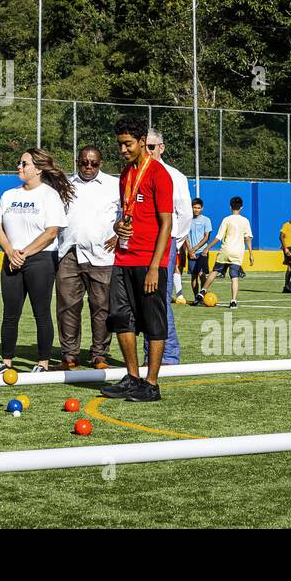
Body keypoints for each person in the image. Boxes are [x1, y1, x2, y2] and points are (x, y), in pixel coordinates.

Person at [100, 116, 173, 403]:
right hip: (123, 258)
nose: (123, 149)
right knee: (120, 318)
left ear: (143, 142)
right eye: (119, 144)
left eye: (127, 144)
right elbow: (127, 213)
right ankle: (132, 377)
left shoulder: (158, 174)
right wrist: (118, 228)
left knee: (153, 322)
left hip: (149, 261)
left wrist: (156, 266)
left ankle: (151, 384)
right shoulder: (125, 174)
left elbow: (166, 224)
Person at [0, 148, 72, 375]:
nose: (19, 166)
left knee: (41, 312)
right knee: (10, 313)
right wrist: (10, 252)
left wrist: (23, 253)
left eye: (24, 163)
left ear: (37, 169)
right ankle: (6, 361)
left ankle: (43, 363)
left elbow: (51, 232)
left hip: (40, 260)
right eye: (20, 163)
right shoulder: (9, 195)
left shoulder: (49, 195)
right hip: (11, 259)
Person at [54, 146, 118, 371]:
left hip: (103, 255)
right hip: (69, 253)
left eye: (94, 163)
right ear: (77, 161)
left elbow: (129, 214)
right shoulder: (65, 185)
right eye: (84, 163)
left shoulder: (114, 185)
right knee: (67, 307)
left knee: (102, 308)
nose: (89, 167)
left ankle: (99, 355)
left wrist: (119, 234)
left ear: (101, 163)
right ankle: (69, 355)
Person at [145, 130, 192, 364]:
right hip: (141, 243)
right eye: (145, 146)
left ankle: (169, 355)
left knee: (160, 297)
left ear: (162, 148)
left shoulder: (175, 176)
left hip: (165, 242)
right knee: (145, 298)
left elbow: (184, 215)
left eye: (152, 147)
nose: (148, 151)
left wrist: (175, 240)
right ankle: (150, 355)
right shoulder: (136, 174)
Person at [202, 196, 254, 308]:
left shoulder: (226, 219)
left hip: (225, 250)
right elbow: (248, 238)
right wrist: (250, 254)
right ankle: (233, 301)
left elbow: (218, 237)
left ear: (230, 207)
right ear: (241, 207)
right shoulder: (245, 221)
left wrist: (207, 248)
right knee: (234, 276)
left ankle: (202, 291)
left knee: (215, 271)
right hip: (237, 252)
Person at [184, 197, 213, 301]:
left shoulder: (206, 220)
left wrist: (195, 248)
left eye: (198, 208)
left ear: (202, 208)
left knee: (202, 274)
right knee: (194, 275)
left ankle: (202, 296)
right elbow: (185, 236)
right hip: (191, 252)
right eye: (194, 207)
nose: (196, 209)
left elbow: (207, 237)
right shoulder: (187, 220)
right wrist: (190, 250)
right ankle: (196, 297)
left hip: (202, 252)